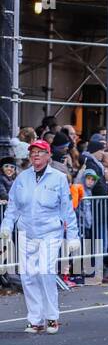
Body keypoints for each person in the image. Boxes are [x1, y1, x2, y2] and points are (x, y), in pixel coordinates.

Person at [1, 140, 75, 333]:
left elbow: (67, 210)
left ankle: (52, 317)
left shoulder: (58, 178)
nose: (36, 156)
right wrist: (6, 226)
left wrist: (73, 235)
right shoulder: (22, 178)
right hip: (26, 232)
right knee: (28, 276)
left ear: (48, 155)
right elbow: (12, 207)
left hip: (50, 232)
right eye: (33, 152)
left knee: (45, 271)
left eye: (40, 152)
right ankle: (35, 319)